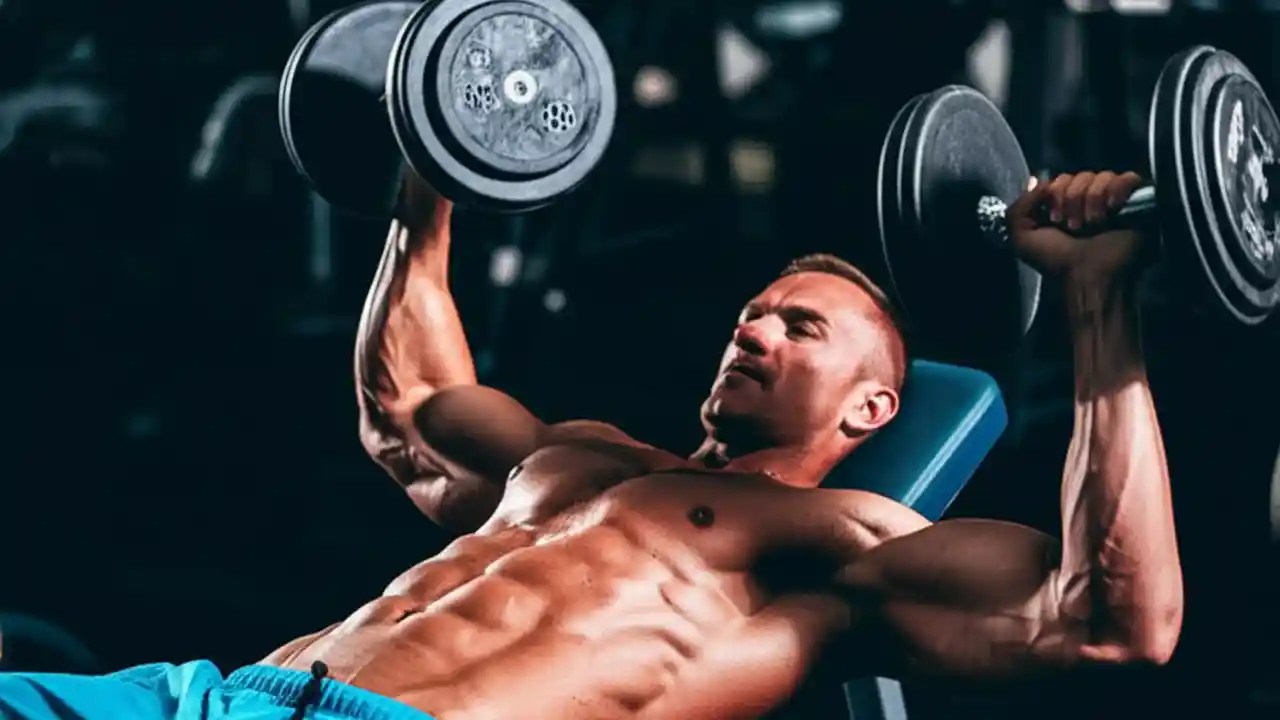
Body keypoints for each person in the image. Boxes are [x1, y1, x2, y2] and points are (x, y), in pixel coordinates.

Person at [0, 169, 1183, 720]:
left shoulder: (838, 546)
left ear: (873, 409)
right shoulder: (576, 458)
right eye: (751, 314)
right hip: (215, 697)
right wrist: (430, 178)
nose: (752, 330)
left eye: (799, 326)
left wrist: (1096, 299)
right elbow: (409, 410)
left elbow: (1111, 623)